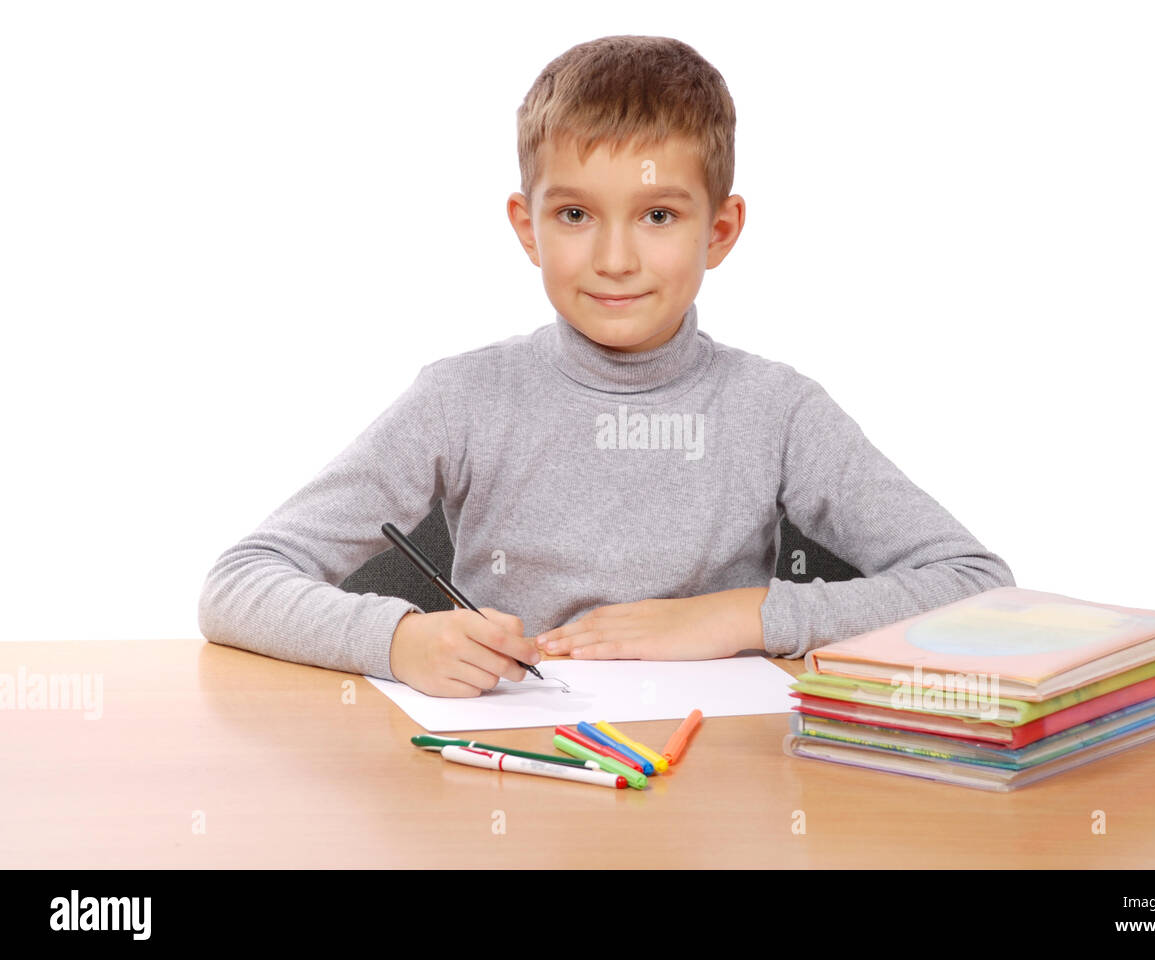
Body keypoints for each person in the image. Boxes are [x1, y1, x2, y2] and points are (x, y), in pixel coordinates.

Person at [198, 35, 1015, 698]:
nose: (615, 258)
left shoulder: (778, 410)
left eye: (658, 215)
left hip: (720, 776)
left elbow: (977, 585)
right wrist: (398, 638)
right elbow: (238, 582)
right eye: (577, 214)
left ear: (720, 232)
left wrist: (742, 616)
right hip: (510, 776)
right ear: (528, 228)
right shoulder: (462, 399)